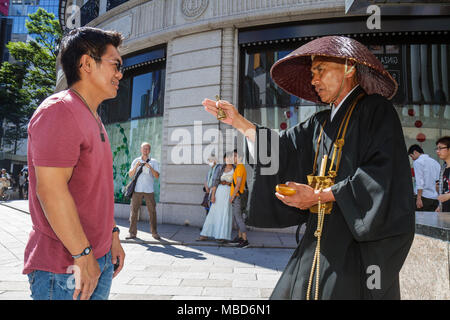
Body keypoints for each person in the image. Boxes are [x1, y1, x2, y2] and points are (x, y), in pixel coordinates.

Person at [203, 36, 415, 299]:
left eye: (320, 70)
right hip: (317, 235)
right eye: (312, 73)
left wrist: (319, 196)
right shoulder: (319, 122)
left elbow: (383, 175)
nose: (314, 80)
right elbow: (283, 148)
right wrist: (239, 122)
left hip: (355, 244)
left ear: (349, 67)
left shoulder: (377, 111)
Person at [23, 27, 126, 300]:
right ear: (87, 64)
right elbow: (51, 191)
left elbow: (94, 190)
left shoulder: (92, 116)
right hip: (65, 268)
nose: (120, 74)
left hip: (97, 258)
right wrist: (83, 254)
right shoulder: (59, 110)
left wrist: (112, 234)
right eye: (115, 65)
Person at [126, 142, 161, 240]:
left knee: (152, 212)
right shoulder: (136, 160)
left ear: (149, 150)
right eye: (144, 148)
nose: (145, 150)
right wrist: (136, 166)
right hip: (137, 190)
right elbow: (130, 175)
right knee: (134, 212)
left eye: (147, 149)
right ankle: (132, 233)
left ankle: (154, 233)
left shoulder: (153, 162)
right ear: (141, 150)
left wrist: (150, 167)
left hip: (149, 190)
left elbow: (157, 176)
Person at [197, 153, 234, 242]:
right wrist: (213, 195)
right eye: (226, 158)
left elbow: (237, 183)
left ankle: (221, 236)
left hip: (229, 193)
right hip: (219, 192)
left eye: (230, 158)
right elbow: (215, 182)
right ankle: (204, 234)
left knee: (225, 214)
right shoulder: (221, 168)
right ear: (224, 159)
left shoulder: (235, 169)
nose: (228, 160)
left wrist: (230, 185)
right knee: (213, 213)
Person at [408, 144, 441, 211]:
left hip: (423, 198)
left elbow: (420, 182)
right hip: (435, 198)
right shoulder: (435, 162)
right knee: (432, 221)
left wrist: (418, 198)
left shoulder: (417, 162)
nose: (412, 159)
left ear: (415, 152)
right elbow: (438, 182)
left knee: (420, 221)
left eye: (411, 156)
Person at [229, 150, 249, 248]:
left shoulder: (240, 167)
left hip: (237, 197)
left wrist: (232, 196)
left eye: (235, 156)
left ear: (240, 158)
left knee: (239, 218)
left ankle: (245, 240)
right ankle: (240, 237)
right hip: (238, 196)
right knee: (239, 218)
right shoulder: (238, 168)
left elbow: (238, 184)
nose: (233, 158)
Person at [436, 136, 450, 212]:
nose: (437, 151)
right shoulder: (443, 168)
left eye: (440, 148)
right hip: (445, 211)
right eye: (437, 149)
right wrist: (440, 206)